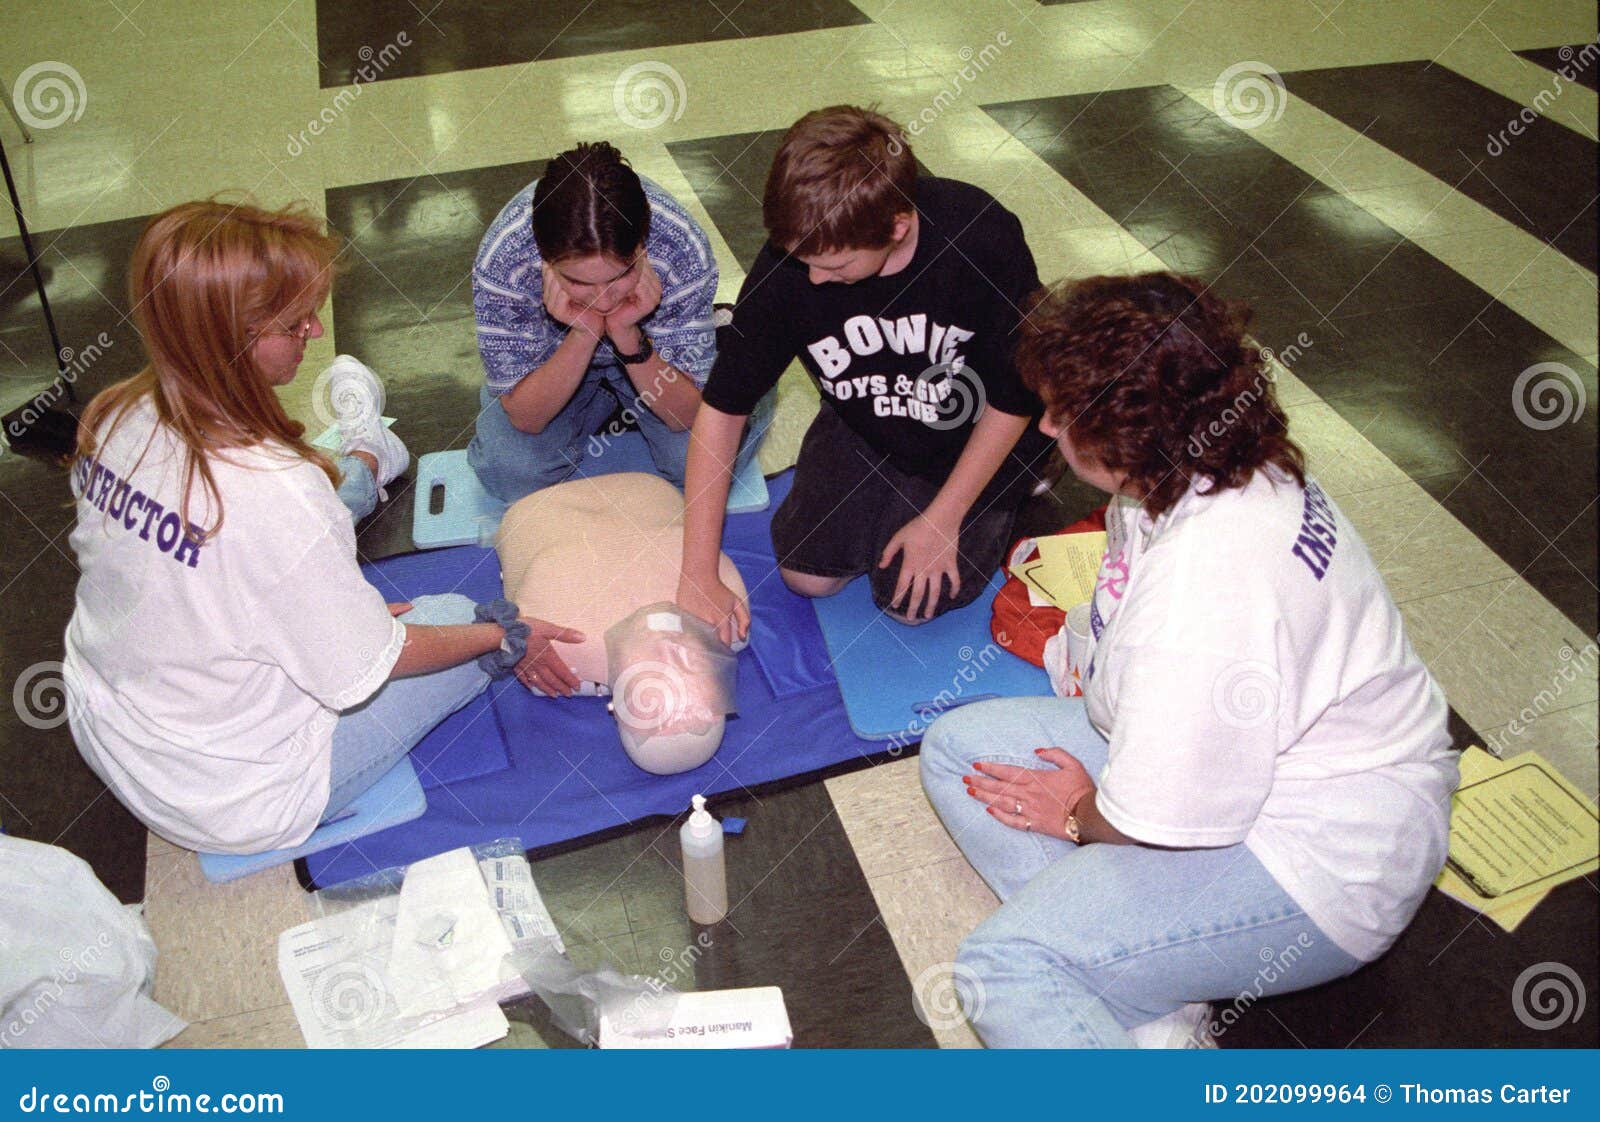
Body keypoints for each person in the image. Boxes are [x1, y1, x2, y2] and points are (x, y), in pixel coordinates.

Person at [919, 272, 1460, 1048]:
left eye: (1061, 412)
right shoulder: (1226, 461)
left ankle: (1126, 987)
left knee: (1004, 965)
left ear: (1122, 431)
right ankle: (1150, 985)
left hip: (1329, 866)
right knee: (960, 751)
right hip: (1281, 770)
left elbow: (1153, 824)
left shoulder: (1201, 590)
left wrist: (1078, 815)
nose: (1043, 425)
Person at [62, 199, 584, 857]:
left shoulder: (116, 416)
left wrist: (342, 618)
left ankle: (365, 455)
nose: (314, 331)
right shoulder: (278, 493)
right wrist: (499, 633)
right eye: (293, 321)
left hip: (106, 724)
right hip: (233, 797)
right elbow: (377, 663)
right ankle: (365, 453)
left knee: (321, 512)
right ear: (234, 339)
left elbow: (193, 584)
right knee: (449, 611)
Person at [675, 106, 1053, 640]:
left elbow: (1014, 397)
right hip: (870, 416)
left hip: (975, 431)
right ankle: (891, 486)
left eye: (834, 266)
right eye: (799, 257)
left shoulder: (979, 237)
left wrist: (945, 518)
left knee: (908, 602)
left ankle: (1019, 483)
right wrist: (697, 572)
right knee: (806, 576)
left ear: (897, 227)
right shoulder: (795, 262)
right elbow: (722, 411)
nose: (813, 277)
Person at [469, 142, 767, 499]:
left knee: (704, 466)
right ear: (545, 261)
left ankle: (734, 357)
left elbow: (684, 416)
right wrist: (583, 332)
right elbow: (526, 418)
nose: (602, 300)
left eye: (619, 277)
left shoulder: (680, 245)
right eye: (578, 282)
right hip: (557, 363)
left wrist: (627, 336)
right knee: (511, 474)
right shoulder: (504, 260)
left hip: (653, 356)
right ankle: (606, 404)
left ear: (643, 246)